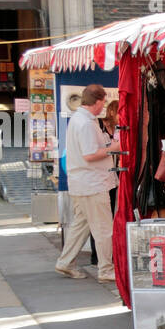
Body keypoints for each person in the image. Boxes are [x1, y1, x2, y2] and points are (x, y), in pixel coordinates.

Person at [55, 84, 117, 282]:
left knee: (81, 225)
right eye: (103, 102)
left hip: (81, 183)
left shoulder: (77, 119)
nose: (103, 107)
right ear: (97, 102)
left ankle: (65, 262)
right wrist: (115, 147)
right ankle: (106, 270)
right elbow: (90, 154)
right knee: (104, 229)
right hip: (93, 184)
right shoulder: (87, 123)